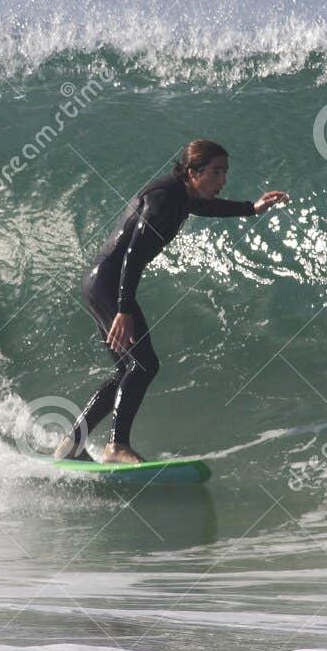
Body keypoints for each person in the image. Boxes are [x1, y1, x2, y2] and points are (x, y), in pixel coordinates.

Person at [55, 139, 290, 463]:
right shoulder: (164, 200)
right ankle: (116, 446)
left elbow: (207, 207)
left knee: (129, 368)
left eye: (225, 173)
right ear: (193, 172)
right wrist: (123, 310)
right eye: (216, 172)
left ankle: (72, 444)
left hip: (101, 283)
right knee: (143, 365)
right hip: (109, 284)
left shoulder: (181, 195)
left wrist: (251, 208)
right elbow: (132, 257)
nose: (222, 180)